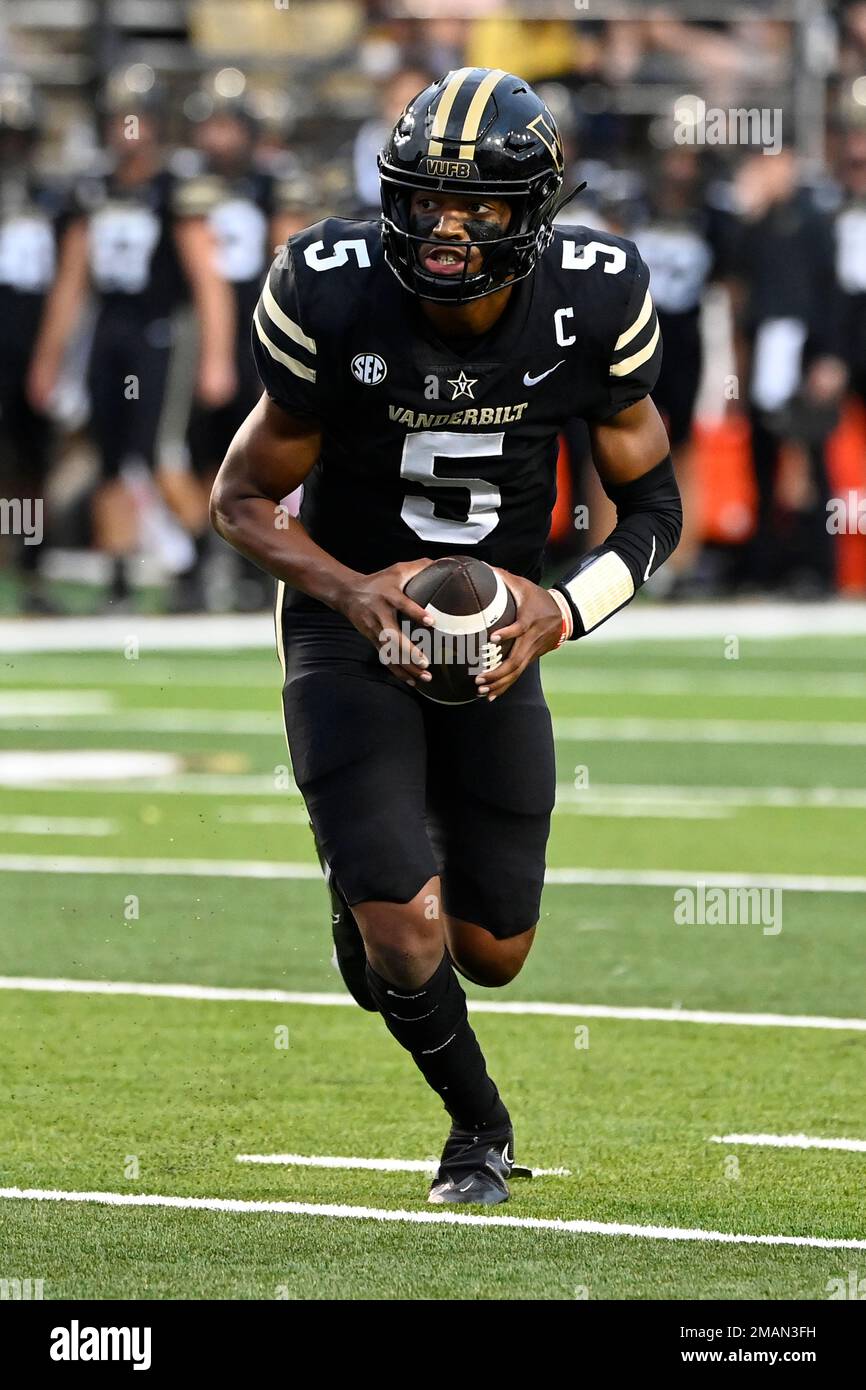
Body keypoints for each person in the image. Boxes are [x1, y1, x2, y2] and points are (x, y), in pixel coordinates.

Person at [211, 68, 681, 1205]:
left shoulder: (595, 297)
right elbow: (239, 499)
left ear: (534, 215)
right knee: (405, 936)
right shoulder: (330, 290)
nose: (445, 230)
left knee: (494, 949)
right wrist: (353, 591)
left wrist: (555, 611)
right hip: (348, 622)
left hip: (496, 631)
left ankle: (383, 876)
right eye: (423, 202)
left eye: (476, 210)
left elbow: (660, 514)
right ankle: (476, 1124)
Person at [28, 69, 236, 610]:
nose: (129, 132)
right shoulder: (94, 189)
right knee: (111, 457)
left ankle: (205, 564)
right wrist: (48, 359)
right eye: (122, 119)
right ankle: (120, 577)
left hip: (162, 331)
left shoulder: (175, 188)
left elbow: (207, 281)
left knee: (160, 453)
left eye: (139, 119)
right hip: (110, 332)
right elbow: (71, 283)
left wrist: (216, 358)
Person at [0, 74, 62, 612]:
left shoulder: (53, 197)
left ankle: (30, 564)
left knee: (27, 464)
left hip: (29, 345)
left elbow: (68, 281)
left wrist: (53, 353)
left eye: (18, 136)